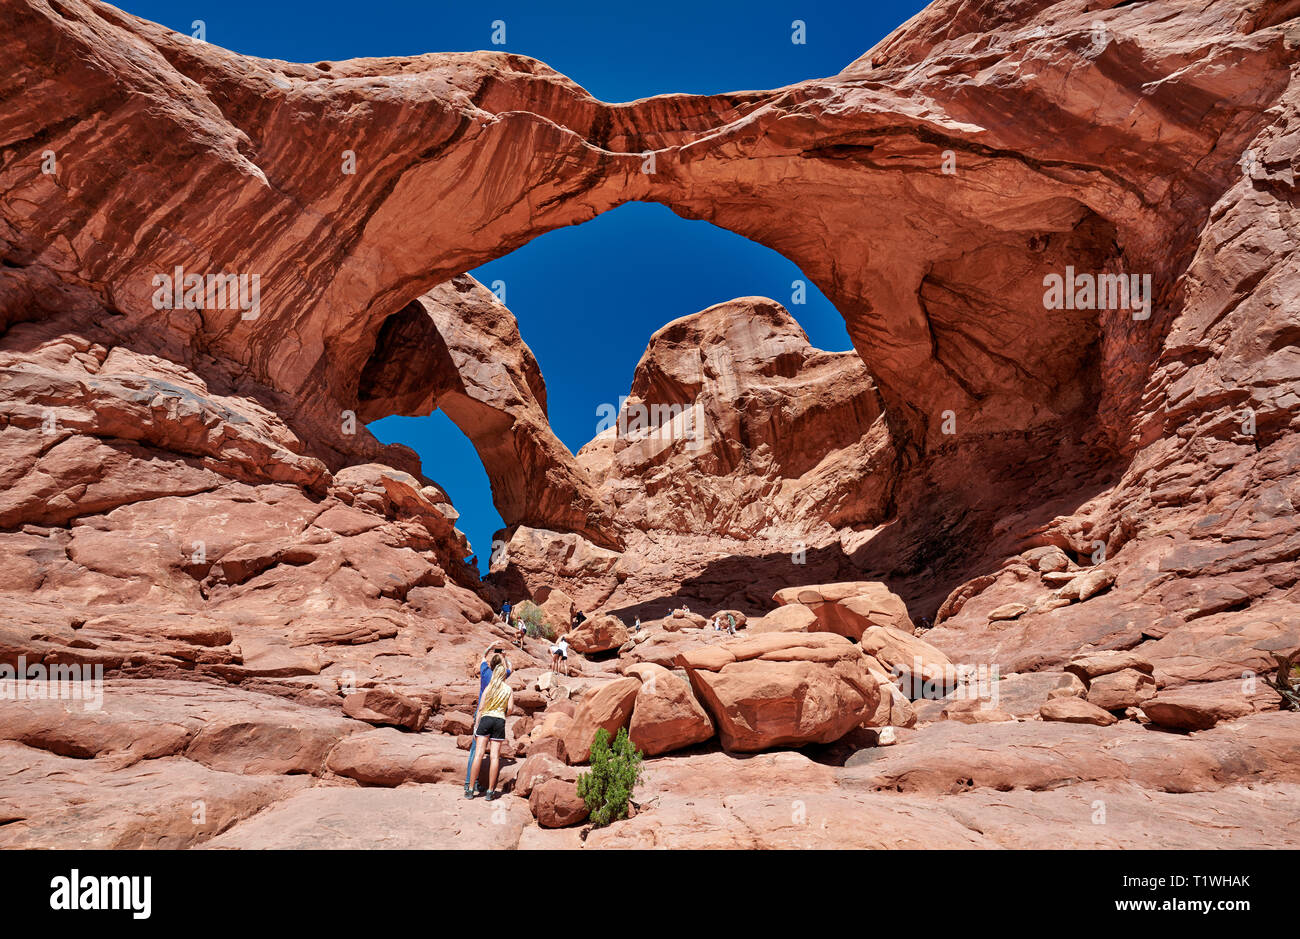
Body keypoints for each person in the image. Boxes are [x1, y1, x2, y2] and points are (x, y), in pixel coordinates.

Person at [464, 645, 512, 798]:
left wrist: (476, 726)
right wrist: (502, 712)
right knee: (495, 757)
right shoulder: (508, 689)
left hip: (485, 718)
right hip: (499, 720)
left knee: (478, 753)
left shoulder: (488, 684)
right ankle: (491, 792)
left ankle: (470, 789)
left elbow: (481, 708)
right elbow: (510, 709)